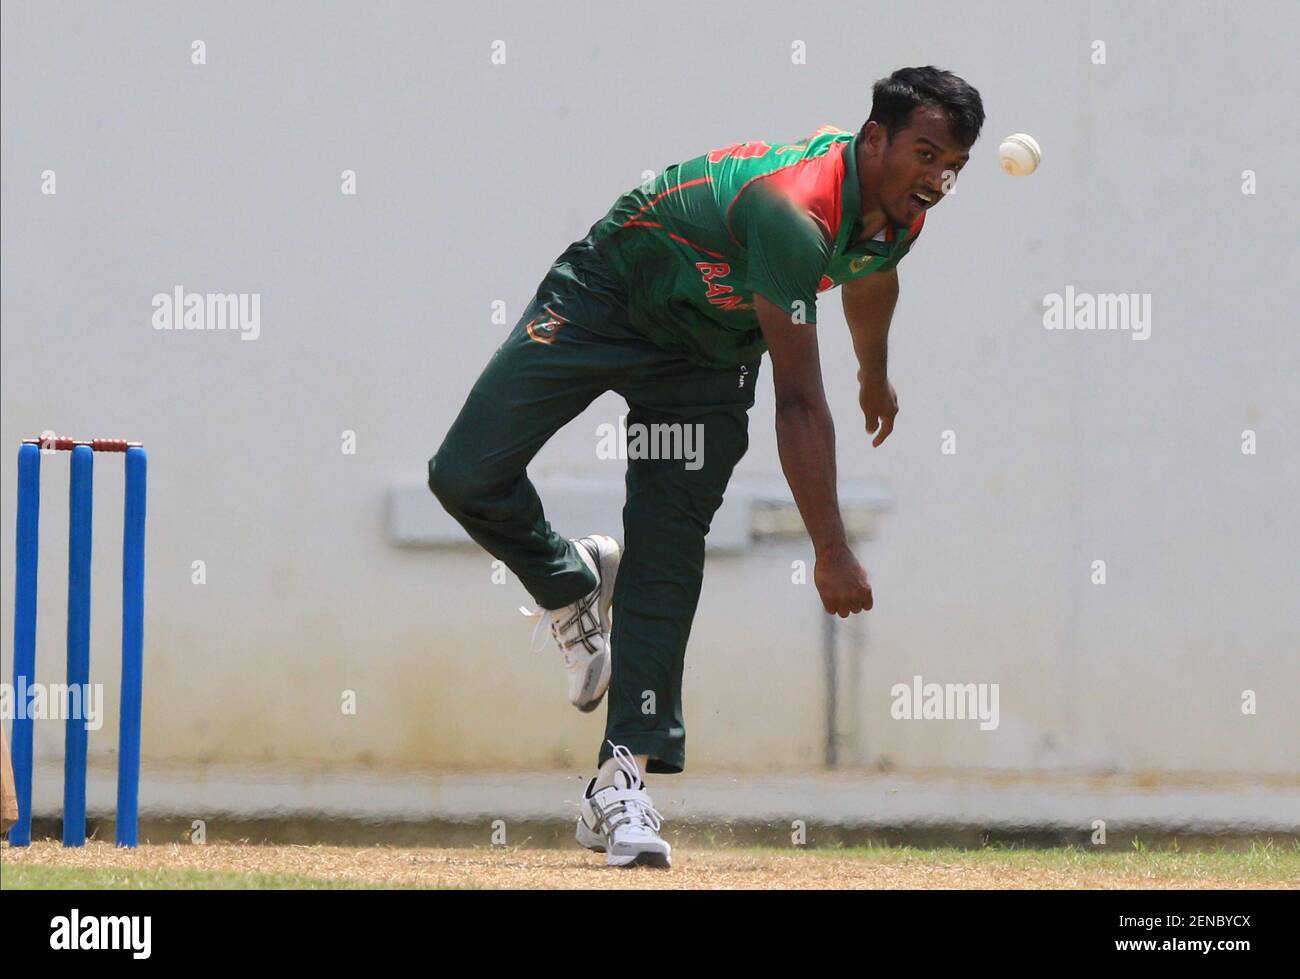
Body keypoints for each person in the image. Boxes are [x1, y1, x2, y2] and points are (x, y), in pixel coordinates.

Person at [429, 66, 985, 869]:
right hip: (610, 296)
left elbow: (872, 274)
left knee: (667, 542)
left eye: (953, 167)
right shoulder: (791, 212)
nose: (937, 180)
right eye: (925, 155)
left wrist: (875, 371)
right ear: (875, 140)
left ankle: (622, 781)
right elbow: (797, 402)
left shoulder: (899, 210)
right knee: (465, 474)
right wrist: (830, 547)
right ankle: (568, 582)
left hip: (707, 356)